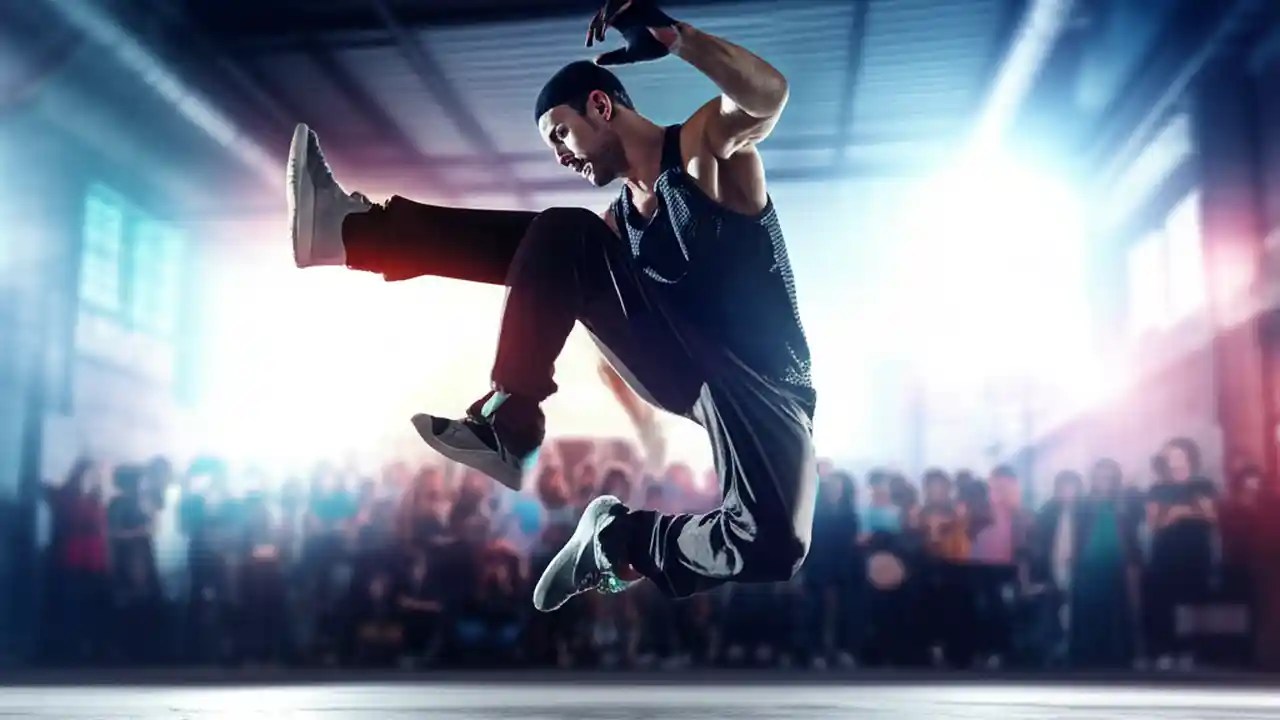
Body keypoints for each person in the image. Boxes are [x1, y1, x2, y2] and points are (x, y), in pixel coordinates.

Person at [287, 0, 815, 613]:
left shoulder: (702, 152)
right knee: (564, 235)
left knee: (774, 545)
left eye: (559, 133)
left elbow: (766, 97)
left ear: (600, 105)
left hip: (765, 382)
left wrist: (678, 39)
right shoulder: (616, 223)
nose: (559, 155)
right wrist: (644, 427)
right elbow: (600, 332)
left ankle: (618, 542)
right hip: (684, 372)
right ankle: (359, 242)